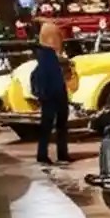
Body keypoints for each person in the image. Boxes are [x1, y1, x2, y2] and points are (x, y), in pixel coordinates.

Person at [31, 22, 70, 165]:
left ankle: (60, 154)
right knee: (51, 127)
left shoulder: (48, 56)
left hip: (54, 95)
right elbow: (49, 77)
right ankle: (49, 154)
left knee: (54, 126)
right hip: (53, 96)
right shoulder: (47, 57)